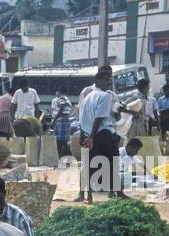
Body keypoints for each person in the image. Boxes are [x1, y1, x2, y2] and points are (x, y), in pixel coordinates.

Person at [77, 65, 123, 203]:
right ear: (98, 80)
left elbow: (81, 118)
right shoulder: (104, 96)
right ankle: (117, 192)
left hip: (89, 133)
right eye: (105, 80)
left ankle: (89, 196)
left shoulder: (88, 97)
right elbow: (99, 118)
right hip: (102, 134)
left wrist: (85, 135)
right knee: (112, 162)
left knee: (89, 165)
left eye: (109, 80)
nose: (108, 82)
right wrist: (91, 137)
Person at [51, 92, 73, 158]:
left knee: (61, 141)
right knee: (60, 141)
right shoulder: (67, 99)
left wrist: (54, 121)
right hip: (63, 121)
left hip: (62, 121)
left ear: (59, 92)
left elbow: (61, 109)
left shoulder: (62, 98)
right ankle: (61, 158)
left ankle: (69, 157)